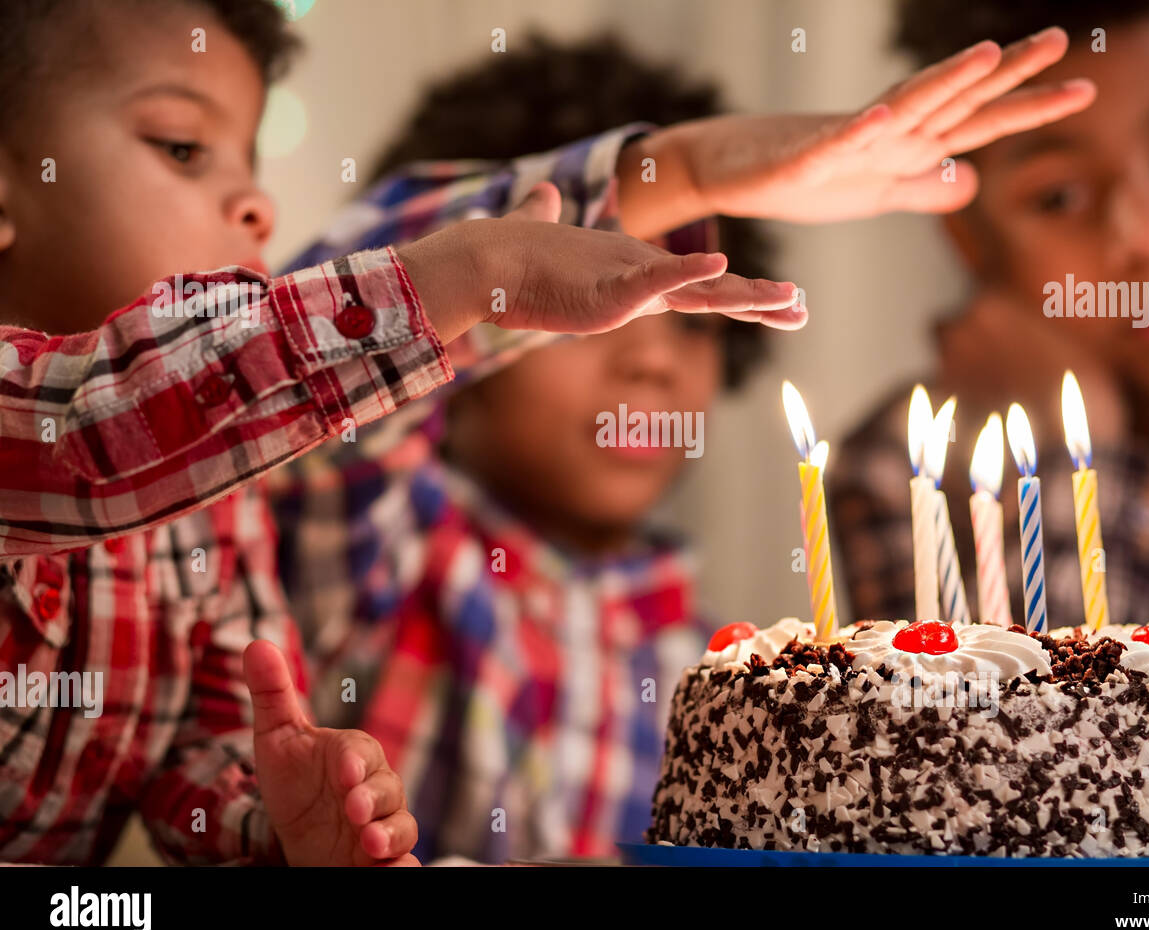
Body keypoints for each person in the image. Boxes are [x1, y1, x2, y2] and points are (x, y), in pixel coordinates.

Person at [0, 0, 801, 864]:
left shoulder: (218, 514)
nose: (257, 204)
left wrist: (279, 821)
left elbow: (209, 749)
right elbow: (98, 436)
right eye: (185, 148)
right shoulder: (359, 517)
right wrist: (489, 270)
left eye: (692, 325)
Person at [269, 29, 1095, 861]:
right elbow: (330, 341)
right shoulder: (379, 560)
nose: (654, 358)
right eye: (590, 310)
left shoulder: (730, 678)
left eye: (693, 315)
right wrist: (688, 171)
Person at [827, 0, 1149, 847]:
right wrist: (1063, 455)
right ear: (970, 242)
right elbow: (1033, 826)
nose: (1142, 238)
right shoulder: (915, 472)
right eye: (1058, 195)